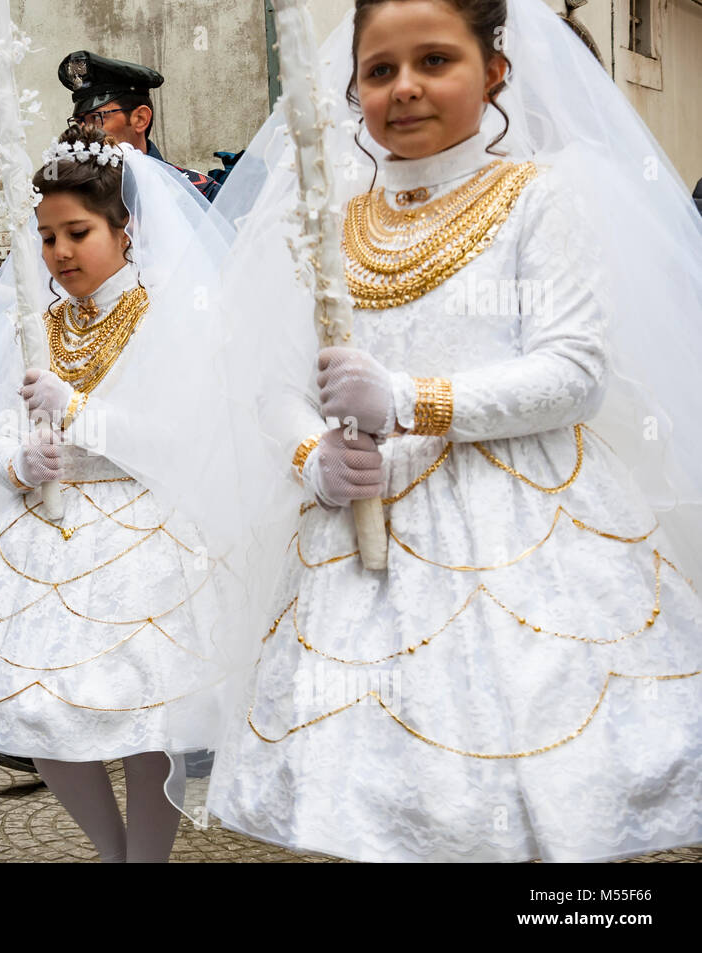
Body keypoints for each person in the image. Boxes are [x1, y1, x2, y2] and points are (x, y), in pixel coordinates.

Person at [198, 0, 702, 862]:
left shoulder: (542, 197)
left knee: (535, 790)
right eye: (380, 69)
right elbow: (276, 382)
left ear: (495, 70)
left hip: (528, 529)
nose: (405, 89)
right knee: (383, 804)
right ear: (353, 87)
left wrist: (405, 397)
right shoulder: (325, 220)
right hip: (360, 545)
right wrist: (312, 458)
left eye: (436, 61)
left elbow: (574, 373)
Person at [0, 127, 231, 862]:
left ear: (124, 229)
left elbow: (181, 438)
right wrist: (20, 461)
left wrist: (76, 412)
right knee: (35, 719)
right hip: (39, 539)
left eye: (77, 232)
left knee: (147, 722)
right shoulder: (34, 322)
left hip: (141, 531)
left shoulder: (164, 313)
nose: (60, 253)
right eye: (46, 237)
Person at [58, 50, 221, 201]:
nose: (85, 130)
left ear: (141, 119)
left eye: (96, 118)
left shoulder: (198, 192)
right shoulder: (71, 196)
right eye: (79, 121)